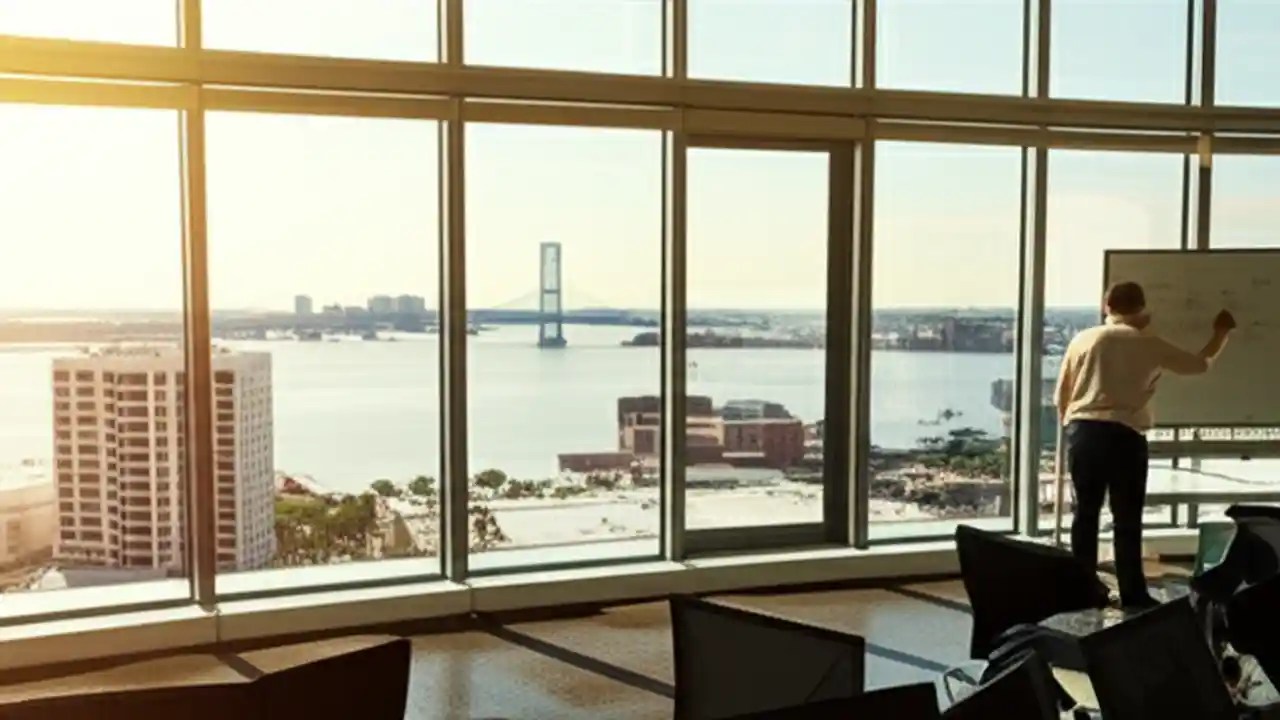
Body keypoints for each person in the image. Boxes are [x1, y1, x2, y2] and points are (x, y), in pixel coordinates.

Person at [1055, 281, 1236, 608]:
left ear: (1106, 306)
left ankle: (1081, 592)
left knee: (1085, 515)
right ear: (1142, 308)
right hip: (1124, 435)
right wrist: (1221, 334)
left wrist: (1074, 428)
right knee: (1126, 518)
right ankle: (1133, 594)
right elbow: (1199, 364)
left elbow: (1061, 397)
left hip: (1083, 433)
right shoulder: (1149, 343)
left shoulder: (1082, 339)